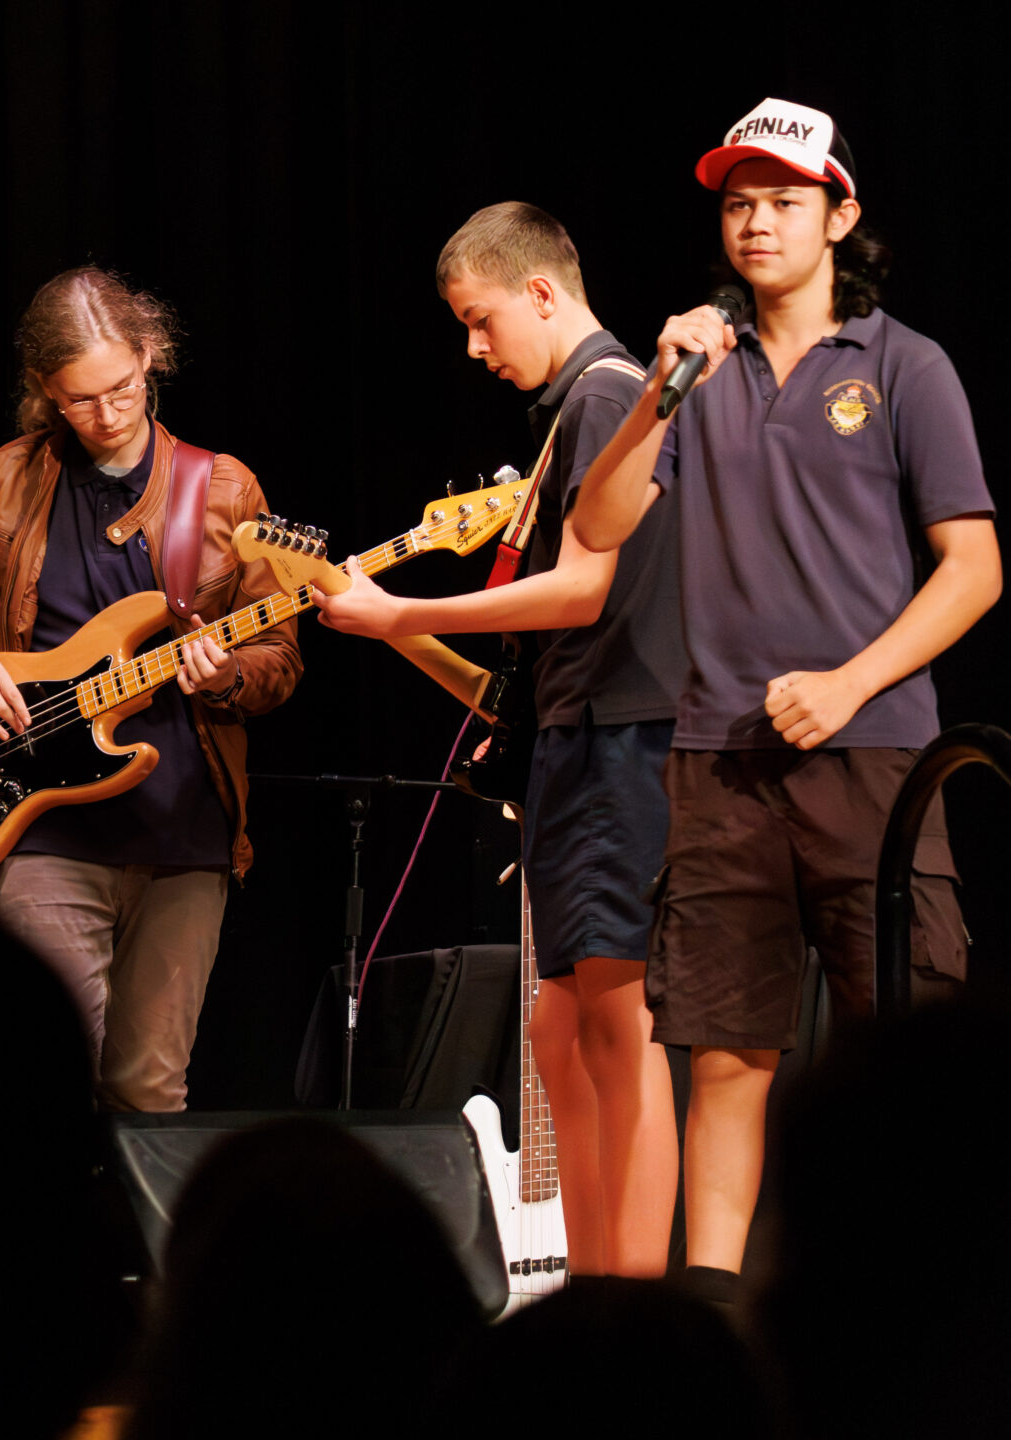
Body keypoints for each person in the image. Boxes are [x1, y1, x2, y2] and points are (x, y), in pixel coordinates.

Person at [566, 99, 1002, 1296]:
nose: (756, 222)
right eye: (737, 201)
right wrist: (659, 387)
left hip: (874, 761)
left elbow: (975, 568)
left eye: (784, 201)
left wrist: (854, 681)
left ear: (839, 214)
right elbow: (596, 528)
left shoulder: (905, 366)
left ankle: (923, 1300)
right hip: (718, 760)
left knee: (903, 1055)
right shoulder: (696, 372)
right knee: (725, 1056)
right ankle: (709, 1319)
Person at [313, 203, 680, 1278]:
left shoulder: (612, 393)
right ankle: (593, 1278)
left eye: (480, 320)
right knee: (557, 1036)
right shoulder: (574, 412)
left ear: (539, 292)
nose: (475, 349)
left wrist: (396, 614)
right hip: (574, 738)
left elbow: (579, 590)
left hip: (622, 738)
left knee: (617, 1031)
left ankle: (631, 1297)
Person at [0, 265, 301, 1112]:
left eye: (121, 390)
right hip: (43, 829)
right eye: (79, 402)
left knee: (148, 1090)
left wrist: (224, 675)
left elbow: (281, 661)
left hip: (184, 835)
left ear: (150, 356)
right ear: (47, 392)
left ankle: (130, 1252)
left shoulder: (221, 489)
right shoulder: (9, 477)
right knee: (42, 1085)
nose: (107, 416)